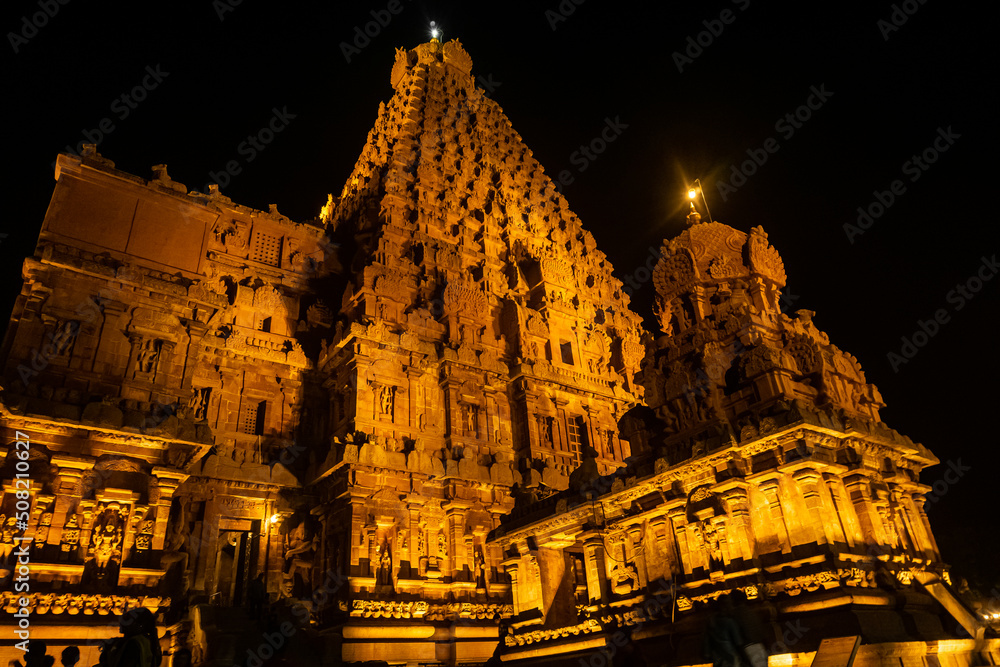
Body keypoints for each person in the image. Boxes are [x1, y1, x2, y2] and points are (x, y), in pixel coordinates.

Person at [97, 608, 162, 667]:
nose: (122, 622)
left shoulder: (133, 644)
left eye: (128, 619)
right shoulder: (147, 641)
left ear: (140, 625)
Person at [703, 596, 745, 667]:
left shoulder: (711, 621)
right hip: (731, 659)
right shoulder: (729, 622)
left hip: (718, 660)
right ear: (726, 606)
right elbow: (738, 643)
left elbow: (707, 640)